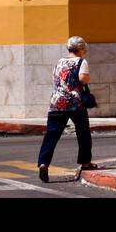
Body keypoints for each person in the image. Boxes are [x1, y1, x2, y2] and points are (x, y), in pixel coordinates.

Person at [37, 35, 96, 182]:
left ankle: (44, 163)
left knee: (51, 135)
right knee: (83, 132)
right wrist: (87, 79)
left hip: (56, 103)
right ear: (81, 49)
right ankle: (85, 161)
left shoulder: (59, 62)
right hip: (75, 103)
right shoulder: (81, 62)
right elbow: (82, 79)